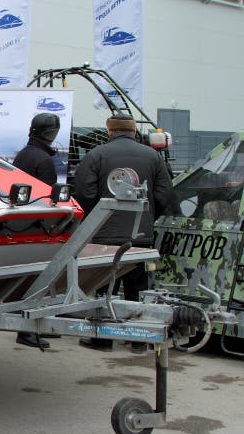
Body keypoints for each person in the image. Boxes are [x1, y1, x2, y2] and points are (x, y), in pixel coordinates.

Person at [73, 113, 173, 352]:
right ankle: (138, 341)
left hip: (105, 235)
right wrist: (148, 218)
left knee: (104, 286)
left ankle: (103, 338)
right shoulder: (153, 157)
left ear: (109, 131)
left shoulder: (96, 155)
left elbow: (83, 193)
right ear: (134, 130)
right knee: (137, 287)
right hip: (140, 235)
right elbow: (164, 194)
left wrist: (94, 221)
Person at [12, 112, 61, 348]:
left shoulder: (23, 155)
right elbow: (48, 197)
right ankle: (27, 330)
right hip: (38, 226)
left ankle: (33, 325)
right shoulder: (44, 160)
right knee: (38, 279)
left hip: (19, 225)